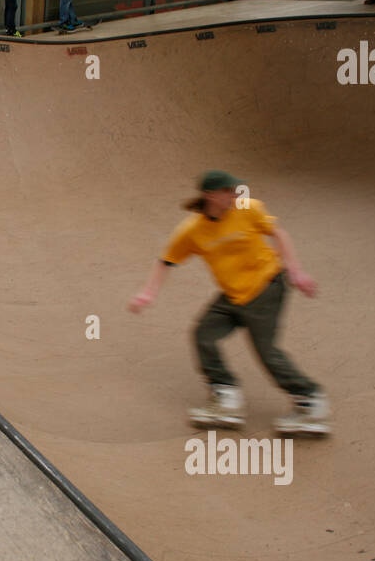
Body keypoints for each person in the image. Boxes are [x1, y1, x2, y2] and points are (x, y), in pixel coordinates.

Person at [127, 170, 330, 436]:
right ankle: (226, 398)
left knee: (267, 352)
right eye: (228, 191)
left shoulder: (249, 208)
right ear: (210, 195)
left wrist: (295, 270)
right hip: (233, 296)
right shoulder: (192, 230)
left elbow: (278, 233)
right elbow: (166, 260)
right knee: (204, 335)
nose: (235, 195)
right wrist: (148, 292)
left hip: (266, 287)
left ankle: (311, 402)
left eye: (235, 190)